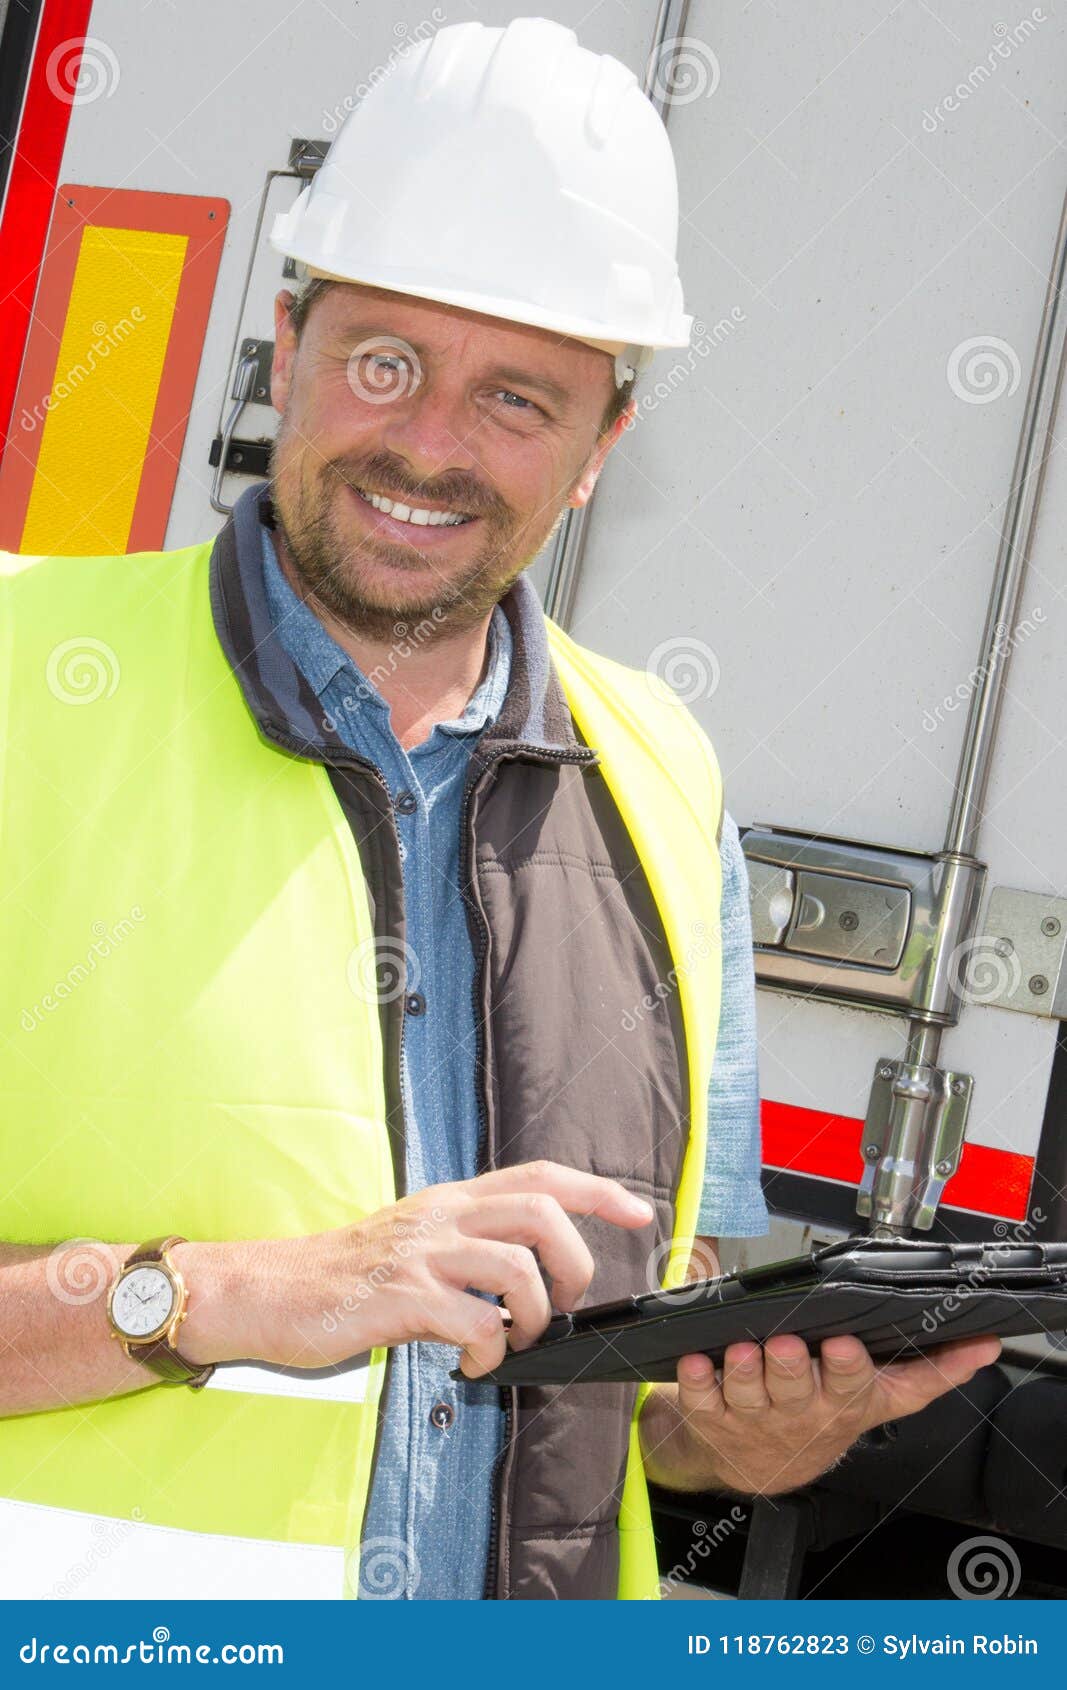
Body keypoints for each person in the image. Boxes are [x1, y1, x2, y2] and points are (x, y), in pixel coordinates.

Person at [0, 17, 998, 1601]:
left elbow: (638, 1415)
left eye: (519, 399)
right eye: (386, 360)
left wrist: (744, 1436)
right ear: (288, 338)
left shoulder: (665, 778)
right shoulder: (19, 685)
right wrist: (210, 1293)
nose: (428, 444)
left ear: (604, 446)